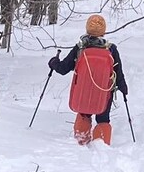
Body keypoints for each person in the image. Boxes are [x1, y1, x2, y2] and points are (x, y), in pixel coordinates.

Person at [48, 14, 128, 145]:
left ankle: (81, 139)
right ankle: (102, 143)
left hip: (83, 89)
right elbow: (118, 72)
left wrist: (53, 62)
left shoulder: (80, 48)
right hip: (104, 91)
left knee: (84, 113)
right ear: (103, 31)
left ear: (87, 29)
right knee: (103, 118)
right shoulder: (111, 49)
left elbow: (63, 69)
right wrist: (123, 88)